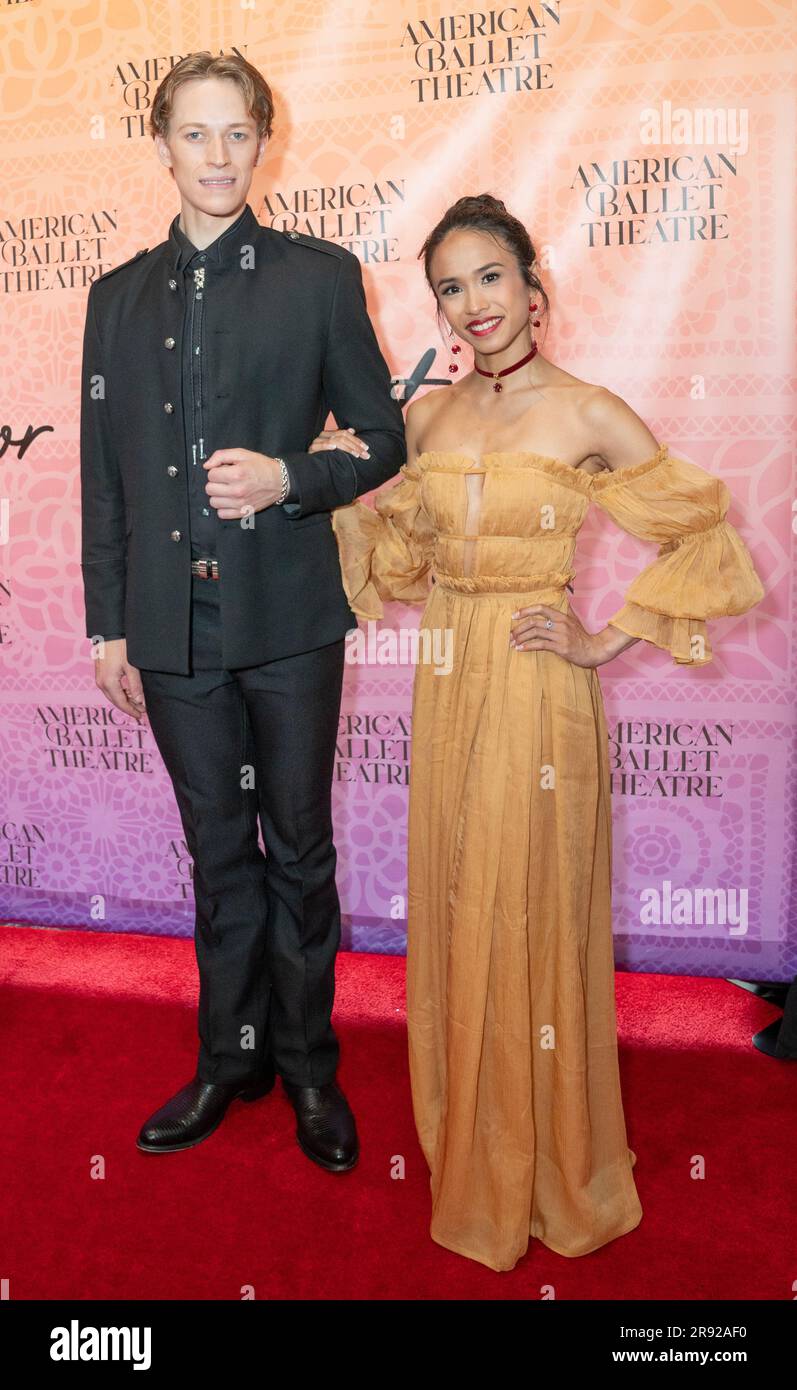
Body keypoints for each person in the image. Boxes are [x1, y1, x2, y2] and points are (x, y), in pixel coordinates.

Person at [318, 193, 766, 1270]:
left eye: (489, 277)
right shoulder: (427, 419)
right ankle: (477, 1147)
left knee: (529, 900)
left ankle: (551, 1162)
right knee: (461, 897)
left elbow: (702, 534)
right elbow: (408, 565)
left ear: (531, 286)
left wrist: (603, 639)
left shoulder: (588, 412)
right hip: (446, 678)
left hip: (535, 682)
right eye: (450, 288)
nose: (472, 303)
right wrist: (335, 491)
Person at [79, 52, 406, 1169]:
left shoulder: (319, 278)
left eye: (236, 133)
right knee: (218, 853)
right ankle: (233, 1057)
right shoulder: (115, 298)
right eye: (194, 133)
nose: (217, 156)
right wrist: (109, 624)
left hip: (290, 624)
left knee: (300, 851)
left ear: (264, 140)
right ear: (160, 145)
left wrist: (288, 476)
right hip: (170, 632)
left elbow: (382, 438)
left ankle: (309, 1067)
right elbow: (104, 477)